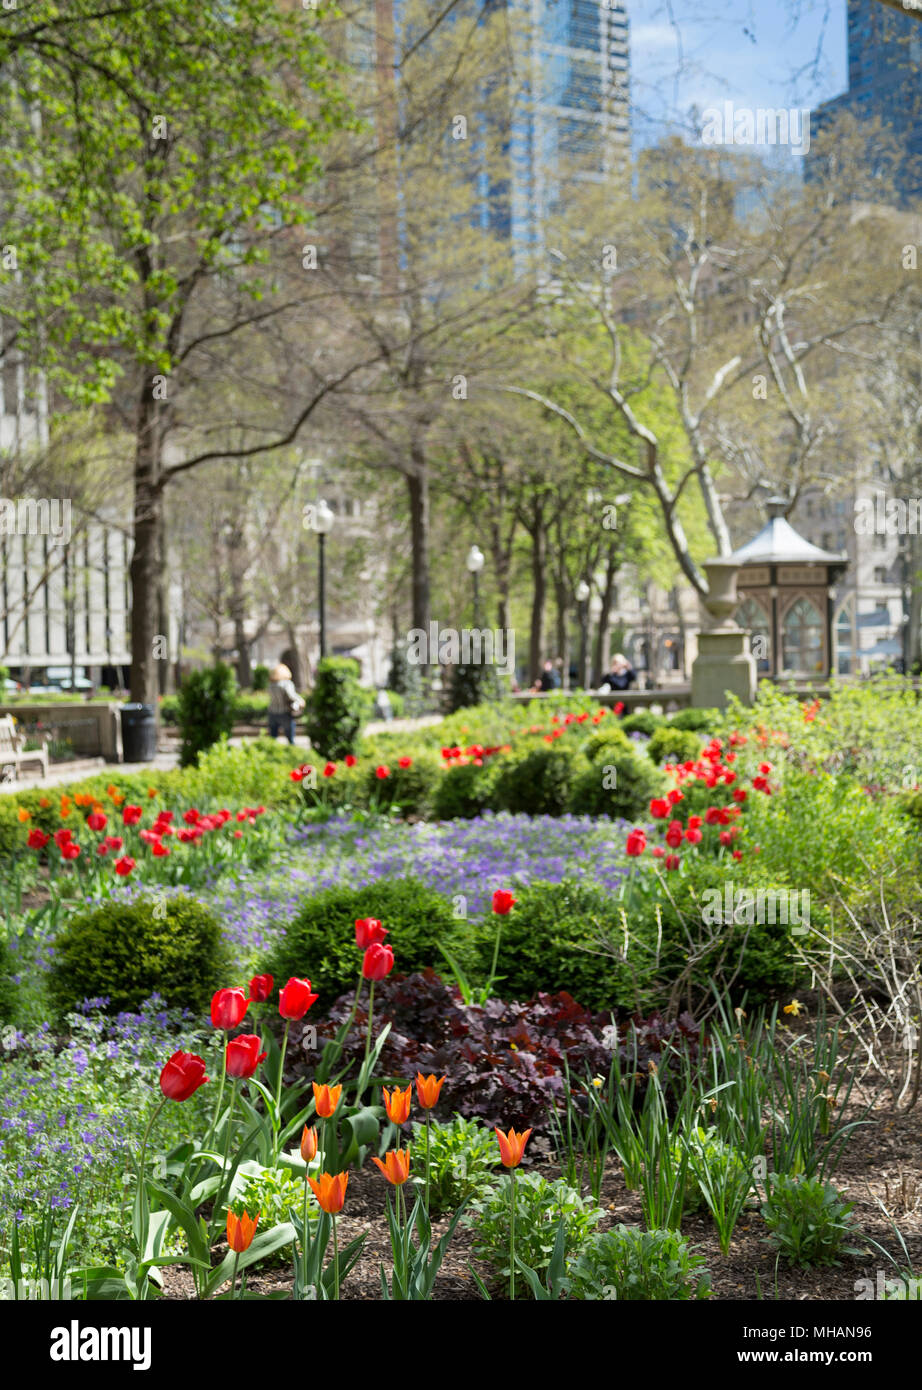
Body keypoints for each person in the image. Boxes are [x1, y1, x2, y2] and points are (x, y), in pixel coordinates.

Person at [268, 662, 303, 744]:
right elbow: (292, 696)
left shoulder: (270, 685)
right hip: (285, 713)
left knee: (273, 738)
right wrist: (301, 700)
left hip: (272, 713)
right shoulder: (286, 684)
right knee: (290, 739)